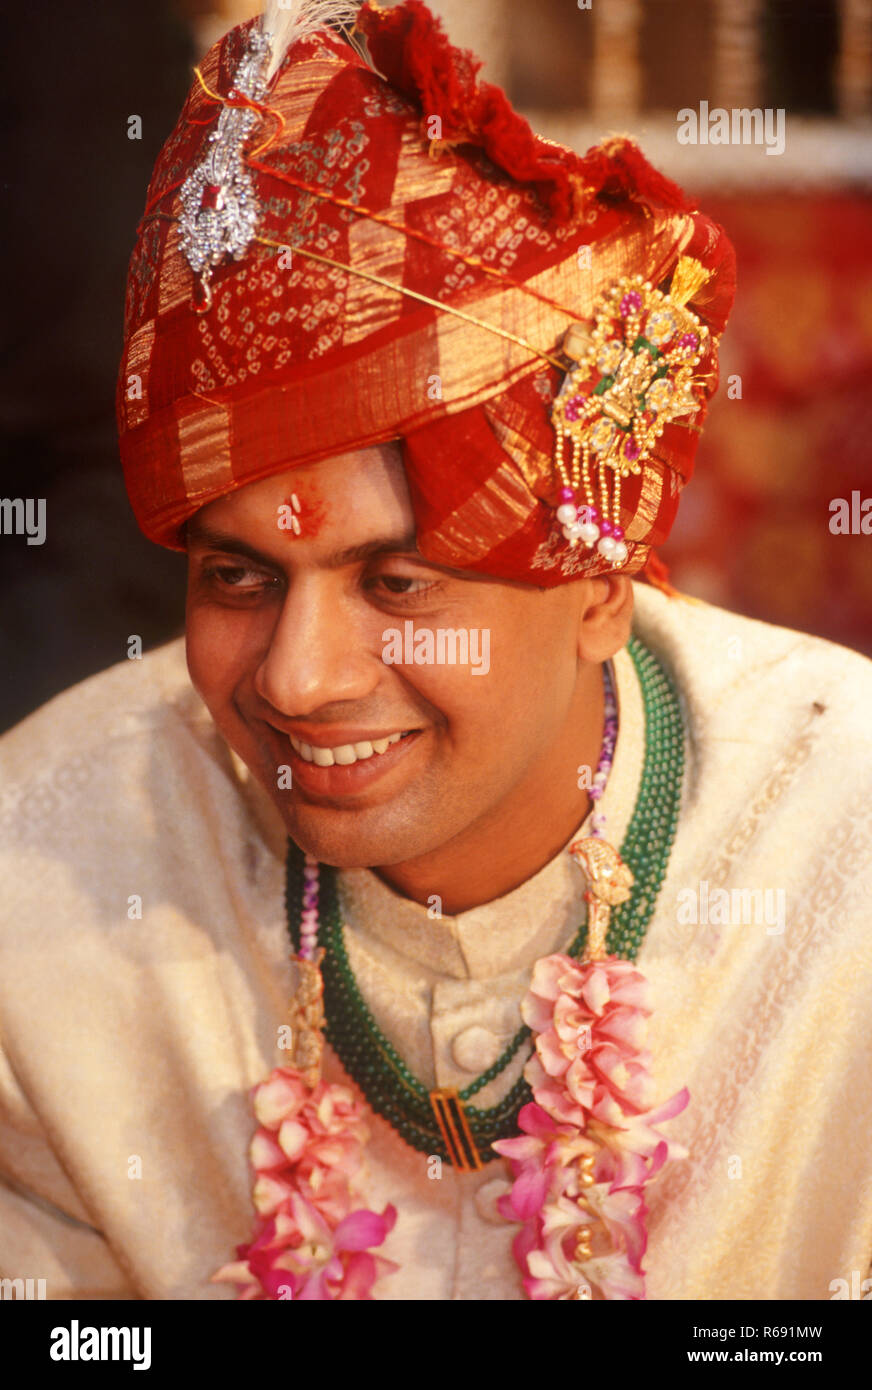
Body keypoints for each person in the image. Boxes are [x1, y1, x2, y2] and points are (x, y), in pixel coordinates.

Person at [1, 0, 870, 1302]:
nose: (297, 678)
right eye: (238, 574)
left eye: (395, 579)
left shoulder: (843, 851)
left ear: (595, 583)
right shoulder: (46, 862)